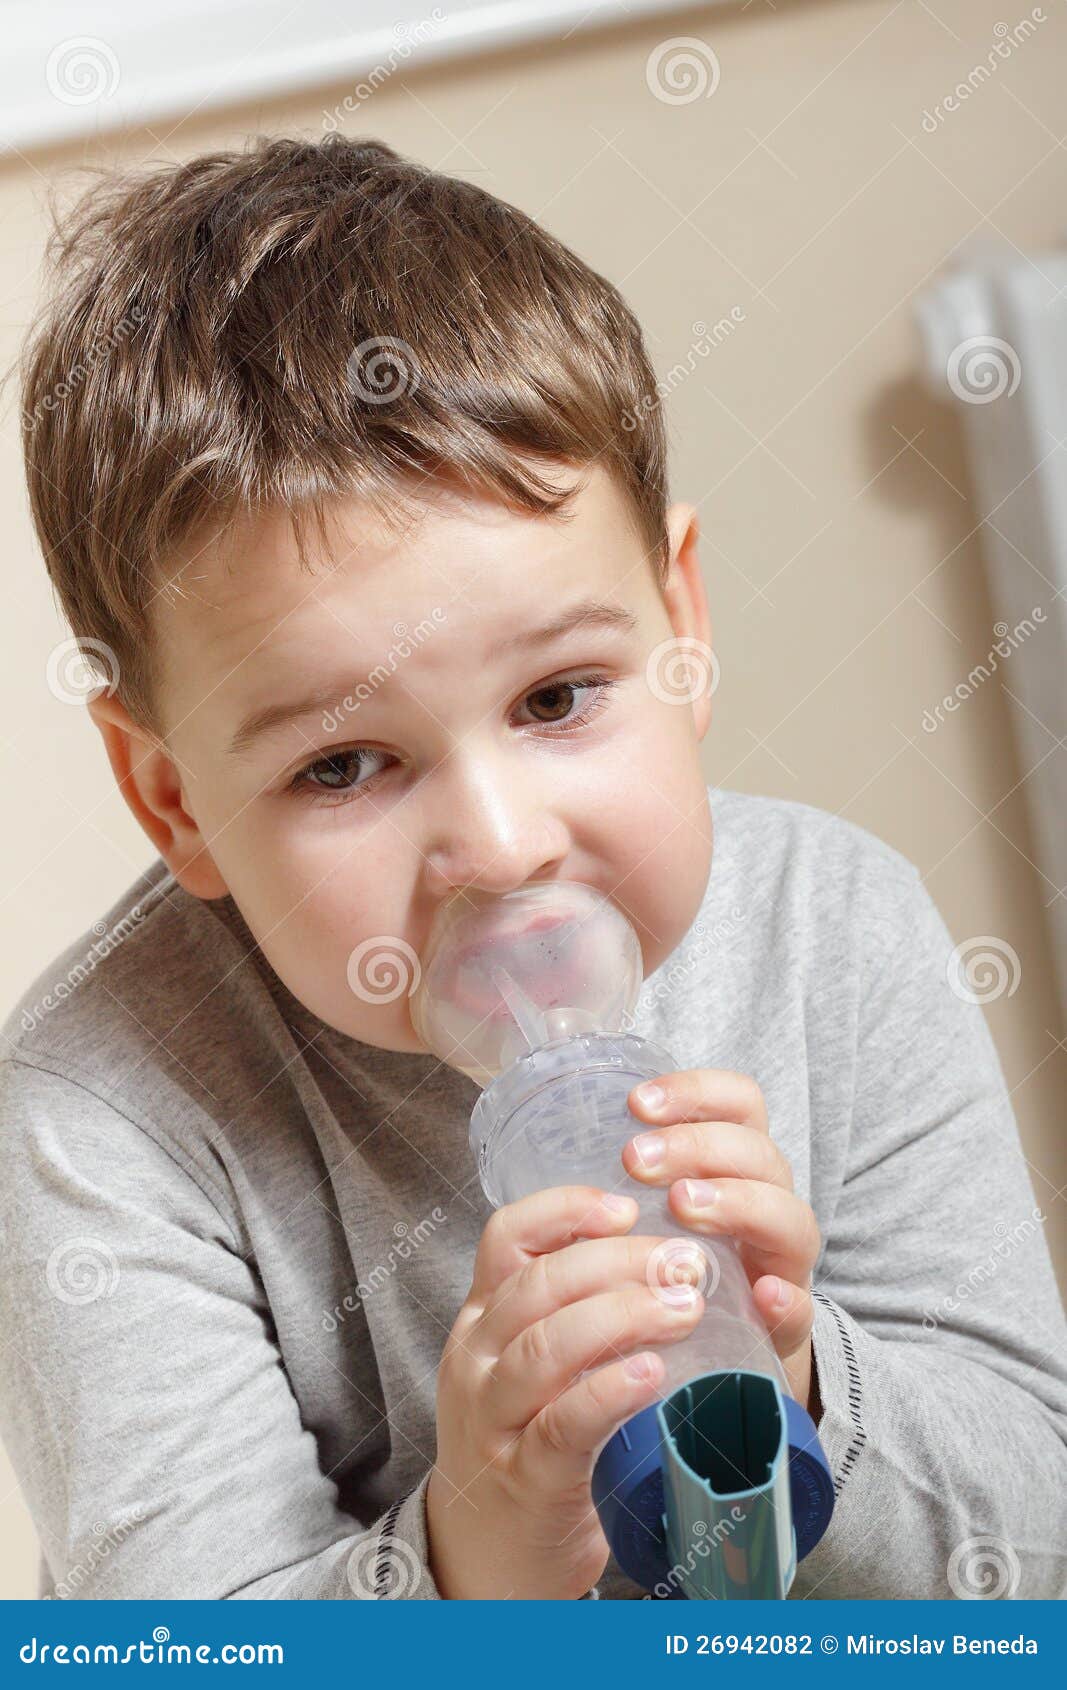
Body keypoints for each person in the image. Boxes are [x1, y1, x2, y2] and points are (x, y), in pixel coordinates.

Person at [1, 135, 1064, 1602]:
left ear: (679, 626)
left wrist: (810, 1379)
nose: (503, 849)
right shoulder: (97, 1113)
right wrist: (477, 1543)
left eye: (559, 698)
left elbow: (1034, 1553)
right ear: (173, 798)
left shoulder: (838, 925)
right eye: (341, 765)